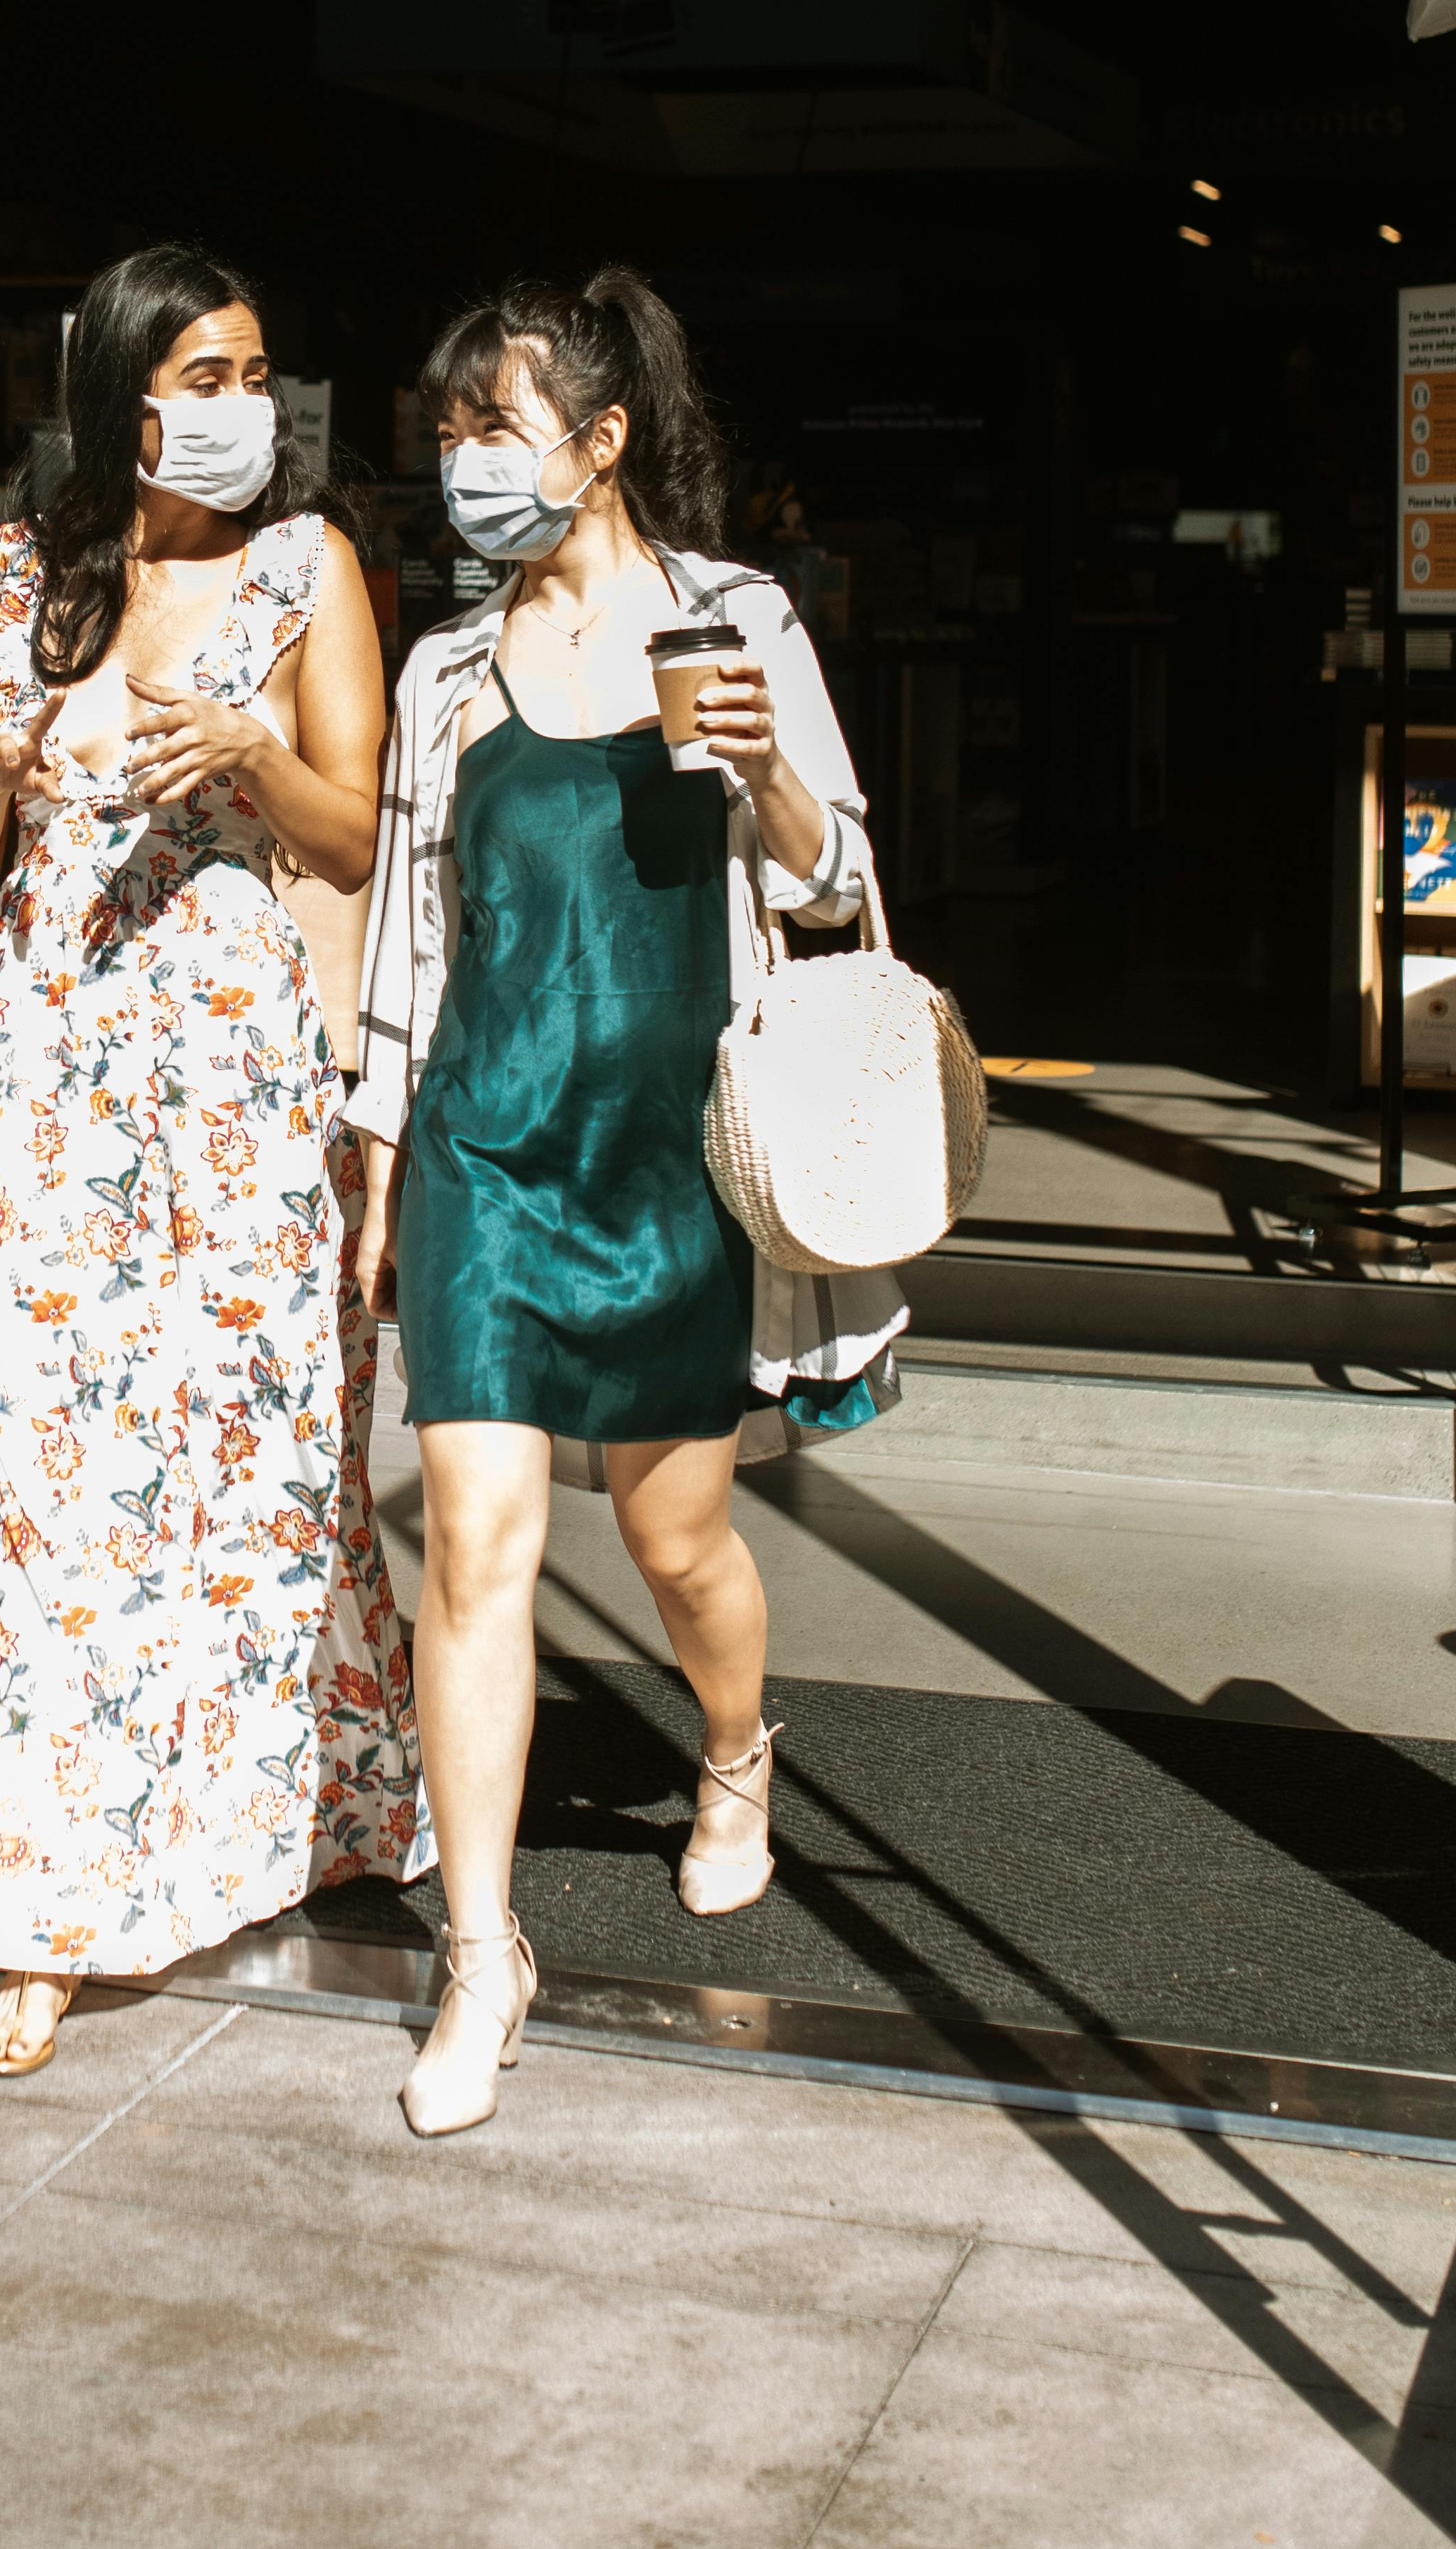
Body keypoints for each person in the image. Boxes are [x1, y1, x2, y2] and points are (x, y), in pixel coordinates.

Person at [0, 244, 428, 2073]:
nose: (234, 403)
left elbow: (358, 835)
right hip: (41, 1061)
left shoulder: (304, 567)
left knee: (260, 1465)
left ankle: (300, 1811)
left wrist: (251, 750)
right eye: (198, 371)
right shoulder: (24, 576)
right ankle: (47, 1901)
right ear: (119, 392)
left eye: (253, 369)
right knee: (41, 1482)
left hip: (227, 1069)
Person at [353, 268, 902, 2136]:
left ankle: (737, 1751)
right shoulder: (440, 675)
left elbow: (839, 894)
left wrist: (766, 780)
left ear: (596, 443)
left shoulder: (738, 627)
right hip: (485, 1159)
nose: (460, 464)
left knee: (677, 1549)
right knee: (477, 1544)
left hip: (670, 1165)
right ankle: (483, 1952)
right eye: (444, 431)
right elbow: (405, 954)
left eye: (490, 426)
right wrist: (374, 1161)